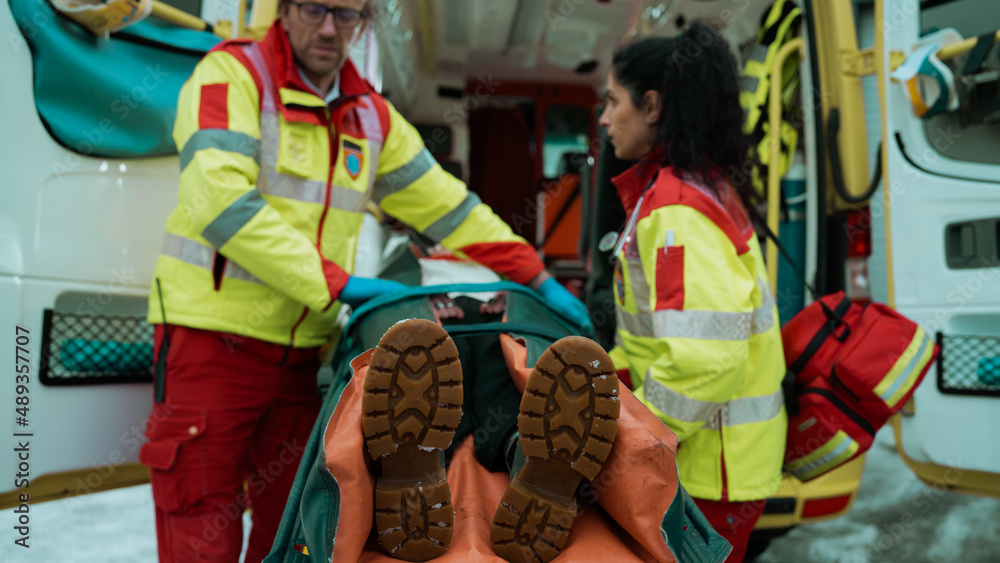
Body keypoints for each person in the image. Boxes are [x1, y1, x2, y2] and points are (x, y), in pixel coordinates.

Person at [139, 1, 590, 561]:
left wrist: (536, 276)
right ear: (284, 9)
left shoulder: (370, 118)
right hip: (211, 345)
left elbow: (451, 211)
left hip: (304, 358)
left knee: (295, 526)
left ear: (365, 21)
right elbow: (221, 204)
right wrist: (339, 284)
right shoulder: (232, 76)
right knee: (199, 515)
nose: (330, 28)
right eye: (314, 9)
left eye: (348, 15)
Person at [598, 23, 787, 562]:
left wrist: (633, 445)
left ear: (652, 105)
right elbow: (657, 344)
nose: (607, 119)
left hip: (707, 474)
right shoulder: (695, 190)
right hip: (718, 464)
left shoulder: (677, 209)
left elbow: (704, 362)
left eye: (614, 102)